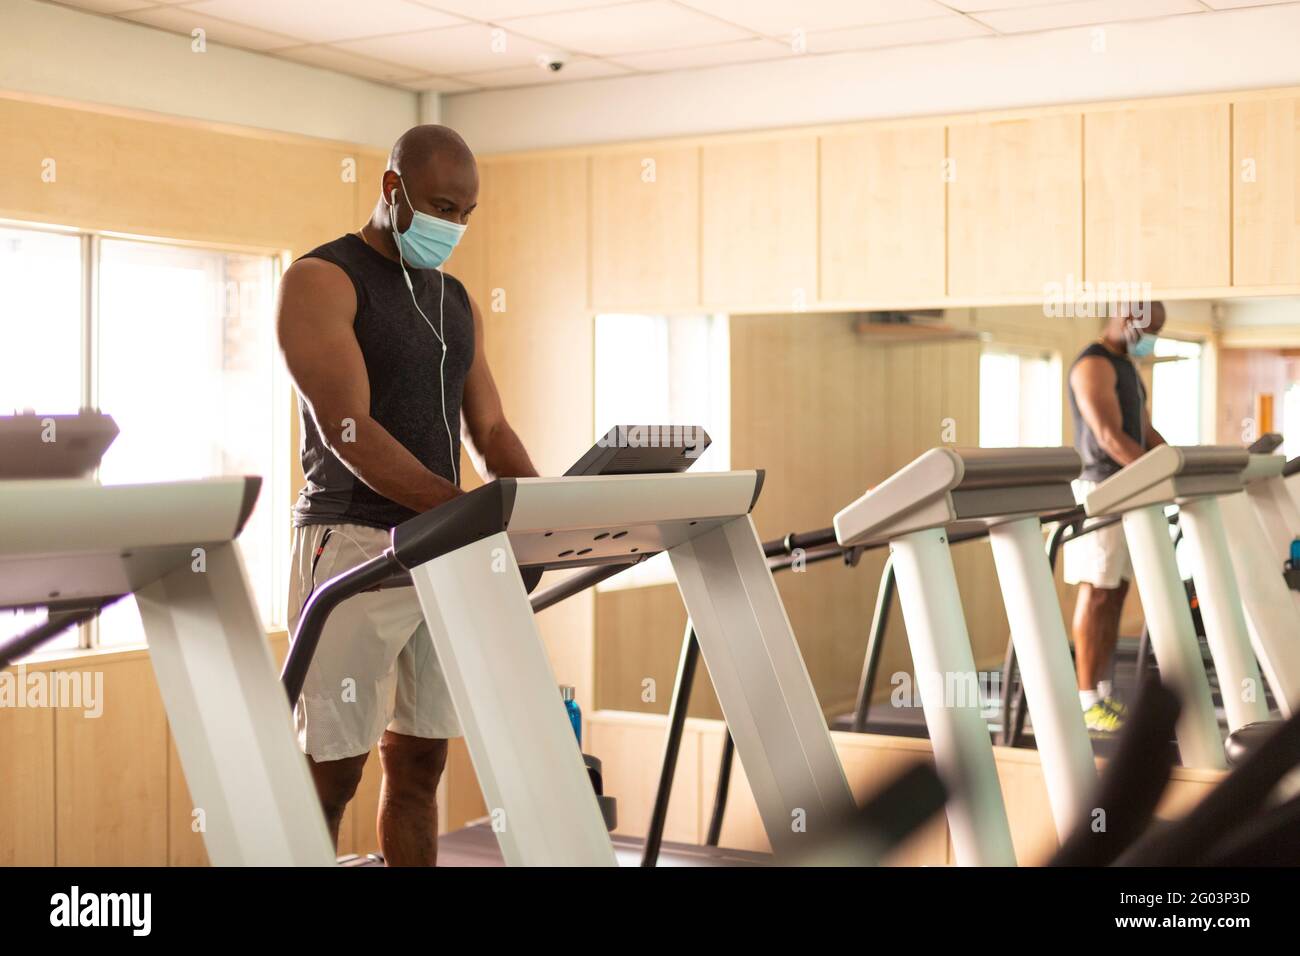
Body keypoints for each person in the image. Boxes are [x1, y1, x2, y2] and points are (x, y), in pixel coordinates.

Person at [276, 125, 537, 865]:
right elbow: (348, 430)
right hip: (356, 541)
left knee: (421, 764)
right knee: (332, 773)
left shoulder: (454, 299)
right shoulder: (322, 280)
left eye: (466, 213)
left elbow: (490, 428)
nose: (452, 226)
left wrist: (542, 515)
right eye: (440, 206)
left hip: (443, 548)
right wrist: (463, 512)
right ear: (392, 190)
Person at [1065, 301, 1167, 733]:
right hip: (1102, 490)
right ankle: (1085, 698)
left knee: (1117, 593)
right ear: (1127, 319)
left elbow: (1144, 433)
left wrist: (1177, 464)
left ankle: (1102, 693)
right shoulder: (1092, 365)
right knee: (1097, 593)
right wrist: (1155, 478)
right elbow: (1109, 436)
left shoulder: (1127, 367)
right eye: (1150, 329)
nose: (1151, 338)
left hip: (1130, 490)